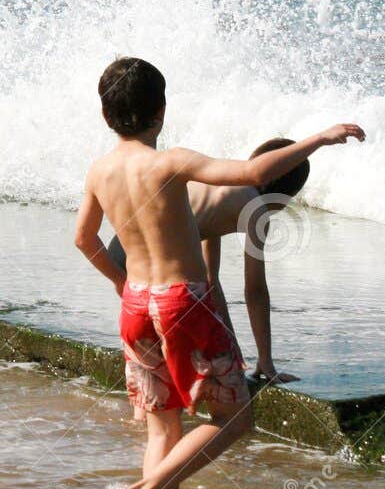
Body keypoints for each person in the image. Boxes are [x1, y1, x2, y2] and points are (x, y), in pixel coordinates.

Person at [73, 57, 364, 489]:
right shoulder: (174, 164)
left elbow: (83, 238)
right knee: (235, 420)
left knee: (162, 428)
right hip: (179, 301)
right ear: (161, 111)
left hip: (136, 302)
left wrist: (119, 282)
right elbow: (255, 176)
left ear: (104, 113)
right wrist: (319, 139)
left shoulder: (99, 170)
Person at [107, 137, 310, 384]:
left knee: (161, 357)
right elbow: (255, 291)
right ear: (285, 196)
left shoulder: (221, 183)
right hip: (149, 266)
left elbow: (211, 281)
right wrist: (265, 359)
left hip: (120, 254)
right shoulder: (256, 211)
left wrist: (233, 353)